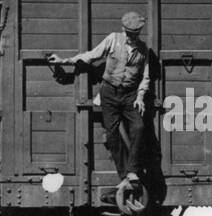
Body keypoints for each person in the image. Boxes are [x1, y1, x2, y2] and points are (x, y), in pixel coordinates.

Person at [48, 12, 155, 189]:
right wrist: (65, 61)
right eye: (129, 32)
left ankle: (132, 171)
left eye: (135, 33)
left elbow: (146, 76)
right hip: (109, 92)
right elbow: (91, 55)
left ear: (139, 32)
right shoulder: (113, 39)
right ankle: (124, 176)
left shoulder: (143, 50)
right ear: (123, 29)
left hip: (130, 95)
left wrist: (141, 97)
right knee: (112, 134)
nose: (132, 36)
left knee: (139, 127)